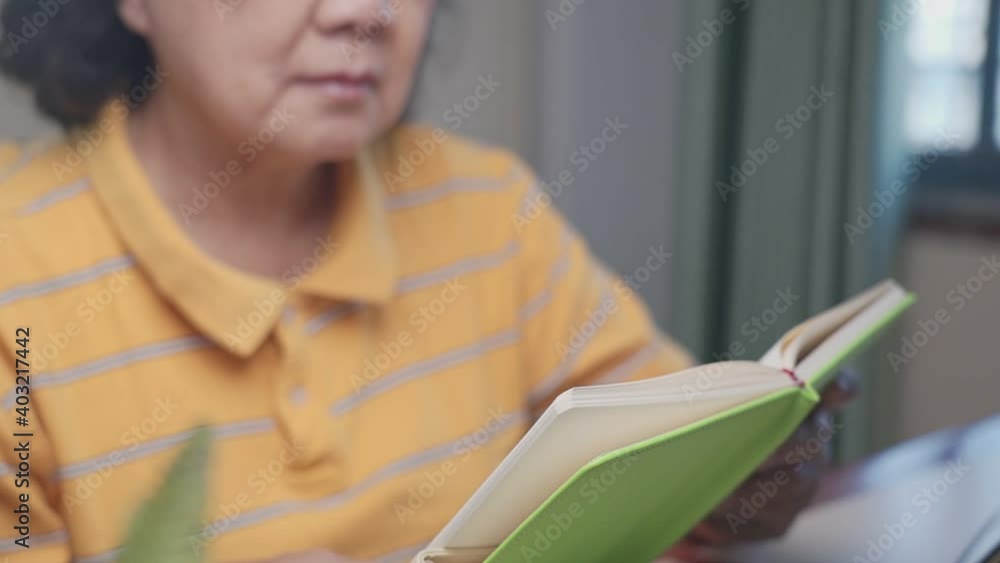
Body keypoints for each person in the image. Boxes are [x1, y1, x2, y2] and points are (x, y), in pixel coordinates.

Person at [0, 1, 855, 562]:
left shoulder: (486, 208)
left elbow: (685, 474)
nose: (362, 13)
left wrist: (751, 469)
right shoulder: (16, 277)